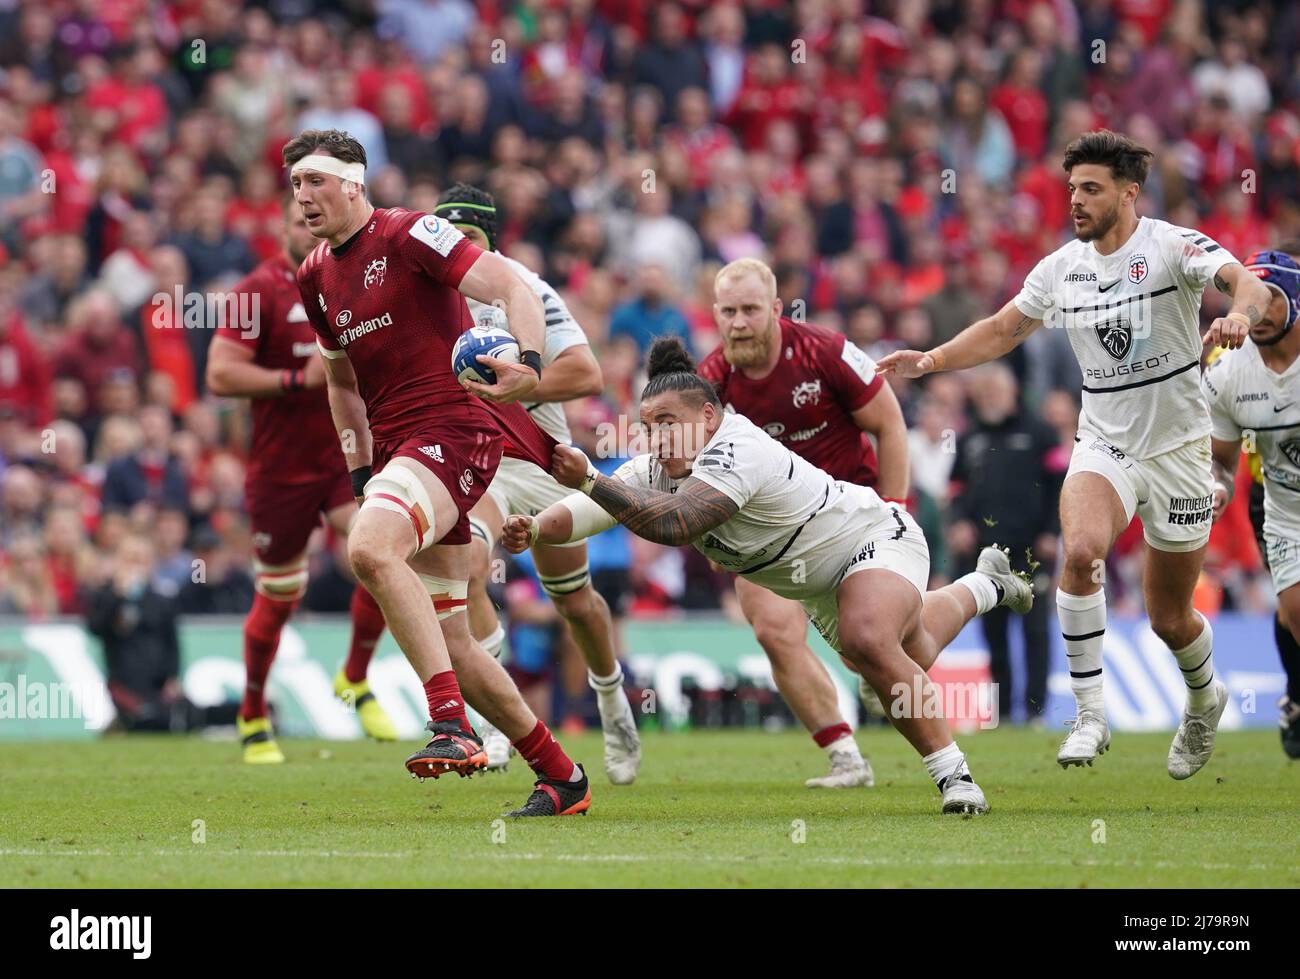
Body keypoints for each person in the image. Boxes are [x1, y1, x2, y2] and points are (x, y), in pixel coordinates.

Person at [878, 129, 1273, 779]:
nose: (1076, 201)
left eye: (1091, 189)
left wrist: (1240, 315)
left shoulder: (1171, 246)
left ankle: (1204, 698)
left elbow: (1244, 281)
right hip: (1105, 442)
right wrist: (934, 359)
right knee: (1082, 551)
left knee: (1169, 617)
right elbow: (1006, 327)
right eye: (1071, 190)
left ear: (1129, 193)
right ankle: (1090, 713)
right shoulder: (1064, 268)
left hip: (1178, 450)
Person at [504, 338, 1036, 815]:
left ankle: (955, 778)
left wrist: (593, 479)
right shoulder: (652, 472)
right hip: (820, 584)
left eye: (668, 421)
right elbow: (582, 513)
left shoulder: (739, 447)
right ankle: (985, 585)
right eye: (647, 425)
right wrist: (535, 529)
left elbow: (675, 522)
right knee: (906, 649)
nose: (656, 436)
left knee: (868, 638)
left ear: (708, 417)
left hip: (873, 536)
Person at [287, 129, 590, 817]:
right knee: (455, 637)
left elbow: (508, 283)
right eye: (296, 185)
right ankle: (563, 776)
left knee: (368, 546)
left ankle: (449, 724)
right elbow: (339, 383)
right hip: (402, 451)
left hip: (457, 431)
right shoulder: (312, 275)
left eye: (316, 181)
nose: (303, 197)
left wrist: (531, 364)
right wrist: (361, 468)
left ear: (355, 183)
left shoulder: (409, 233)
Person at [438, 183, 641, 784]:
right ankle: (499, 720)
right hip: (479, 464)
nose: (458, 251)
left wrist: (520, 381)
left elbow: (586, 372)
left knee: (576, 602)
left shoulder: (522, 288)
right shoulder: (423, 294)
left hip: (542, 461)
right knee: (468, 564)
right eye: (448, 238)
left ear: (491, 242)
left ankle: (612, 704)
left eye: (469, 238)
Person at [696, 257, 910, 788]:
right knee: (773, 632)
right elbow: (696, 471)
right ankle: (845, 757)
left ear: (774, 308)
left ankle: (978, 591)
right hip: (766, 530)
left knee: (875, 644)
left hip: (850, 520)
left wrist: (896, 508)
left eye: (750, 309)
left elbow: (890, 424)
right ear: (715, 314)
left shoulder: (827, 351)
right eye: (728, 311)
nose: (739, 322)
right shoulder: (709, 383)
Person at [206, 196, 397, 764]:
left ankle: (355, 677)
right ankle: (253, 712)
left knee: (386, 556)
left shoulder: (353, 279)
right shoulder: (258, 290)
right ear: (282, 231)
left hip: (344, 462)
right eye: (298, 221)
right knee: (281, 596)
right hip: (280, 472)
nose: (309, 229)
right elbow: (219, 373)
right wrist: (297, 380)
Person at [1201, 249, 1300, 759]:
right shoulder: (1226, 374)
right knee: (1294, 614)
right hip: (1282, 507)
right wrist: (1217, 485)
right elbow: (1219, 461)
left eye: (1269, 302)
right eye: (1249, 303)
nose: (1257, 313)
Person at [948, 363, 1063, 724]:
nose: (990, 398)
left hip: (1031, 549)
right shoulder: (969, 439)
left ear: (1013, 393)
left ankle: (1035, 711)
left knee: (1035, 632)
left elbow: (1062, 487)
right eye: (983, 393)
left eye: (996, 391)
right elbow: (955, 490)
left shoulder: (1041, 433)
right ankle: (1001, 713)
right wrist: (960, 523)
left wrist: (1052, 532)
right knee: (993, 633)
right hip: (985, 554)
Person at [88, 533, 239, 732]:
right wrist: (119, 596)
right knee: (150, 719)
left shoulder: (160, 600)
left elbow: (171, 642)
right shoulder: (106, 596)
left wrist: (172, 676)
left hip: (158, 686)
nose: (136, 566)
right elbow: (96, 628)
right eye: (131, 559)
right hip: (125, 686)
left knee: (188, 715)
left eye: (142, 560)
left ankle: (247, 712)